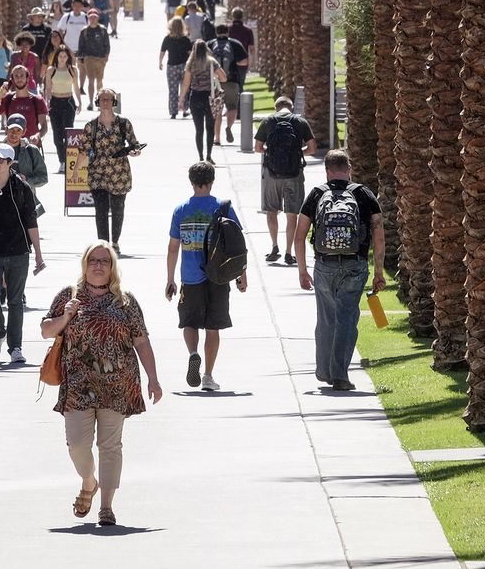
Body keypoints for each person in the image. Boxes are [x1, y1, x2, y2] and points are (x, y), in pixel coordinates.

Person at [42, 242, 160, 527]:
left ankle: (106, 507)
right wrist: (66, 315)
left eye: (104, 261)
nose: (98, 265)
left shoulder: (125, 301)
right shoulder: (69, 295)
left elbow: (141, 340)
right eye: (93, 260)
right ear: (84, 264)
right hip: (78, 385)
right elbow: (46, 330)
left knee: (110, 446)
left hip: (117, 384)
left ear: (112, 267)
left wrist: (153, 378)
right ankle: (88, 480)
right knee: (77, 444)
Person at [294, 150, 385, 391]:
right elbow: (378, 234)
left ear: (327, 170)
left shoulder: (316, 194)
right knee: (346, 319)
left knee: (326, 319)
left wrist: (302, 270)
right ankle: (340, 374)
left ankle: (324, 371)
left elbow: (299, 235)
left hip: (324, 265)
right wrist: (378, 272)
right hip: (355, 265)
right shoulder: (363, 194)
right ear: (349, 168)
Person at [165, 161, 245, 392]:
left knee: (189, 322)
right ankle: (208, 376)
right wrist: (242, 274)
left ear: (191, 182)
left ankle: (193, 354)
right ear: (211, 182)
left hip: (190, 277)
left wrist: (170, 278)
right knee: (213, 327)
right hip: (218, 276)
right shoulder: (222, 207)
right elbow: (237, 245)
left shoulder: (181, 210)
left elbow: (172, 248)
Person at [0, 142, 47, 364]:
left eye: (0, 160)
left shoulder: (22, 188)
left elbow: (31, 222)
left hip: (18, 251)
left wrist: (39, 255)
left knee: (15, 301)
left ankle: (15, 347)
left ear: (10, 162)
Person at [255, 96, 317, 264]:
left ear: (277, 108)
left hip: (271, 174)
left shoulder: (268, 121)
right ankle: (289, 252)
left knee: (271, 211)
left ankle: (274, 247)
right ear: (291, 107)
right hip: (294, 174)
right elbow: (312, 148)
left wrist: (273, 152)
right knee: (292, 215)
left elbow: (258, 148)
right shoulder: (300, 122)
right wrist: (296, 153)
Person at [83, 88, 142, 254]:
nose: (106, 102)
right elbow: (84, 149)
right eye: (102, 100)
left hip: (119, 173)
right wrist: (74, 172)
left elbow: (133, 143)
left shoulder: (123, 123)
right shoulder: (91, 126)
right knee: (100, 210)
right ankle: (103, 243)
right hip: (98, 173)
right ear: (97, 103)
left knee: (118, 209)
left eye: (109, 100)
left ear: (114, 103)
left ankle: (115, 241)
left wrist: (134, 151)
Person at [179, 40, 226, 163]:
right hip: (209, 98)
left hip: (195, 97)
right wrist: (213, 77)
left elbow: (186, 83)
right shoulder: (212, 62)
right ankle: (209, 155)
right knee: (210, 128)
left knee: (199, 129)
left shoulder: (191, 64)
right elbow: (224, 77)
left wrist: (181, 99)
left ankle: (200, 156)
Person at [208, 23, 251, 146]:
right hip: (232, 80)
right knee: (232, 107)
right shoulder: (235, 44)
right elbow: (244, 62)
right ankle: (229, 128)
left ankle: (217, 138)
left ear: (216, 32)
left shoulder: (210, 44)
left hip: (215, 82)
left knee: (218, 110)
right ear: (227, 32)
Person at [0, 114, 49, 188]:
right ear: (6, 130)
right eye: (12, 130)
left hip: (24, 197)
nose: (14, 134)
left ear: (24, 132)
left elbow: (43, 177)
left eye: (18, 130)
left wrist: (26, 181)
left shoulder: (32, 151)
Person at [0, 65, 49, 143]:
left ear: (27, 78)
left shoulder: (37, 100)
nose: (19, 78)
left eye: (22, 75)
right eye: (16, 76)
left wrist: (37, 136)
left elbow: (44, 126)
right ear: (12, 80)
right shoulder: (8, 99)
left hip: (31, 147)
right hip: (11, 147)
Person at [45, 46, 82, 171]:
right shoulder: (51, 70)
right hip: (55, 103)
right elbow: (48, 88)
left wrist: (80, 102)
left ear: (68, 57)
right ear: (57, 57)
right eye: (60, 56)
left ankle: (68, 160)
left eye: (65, 56)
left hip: (68, 102)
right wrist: (46, 102)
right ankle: (61, 160)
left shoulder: (73, 70)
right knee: (57, 134)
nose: (62, 59)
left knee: (68, 133)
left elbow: (76, 87)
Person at [158, 17, 193, 120]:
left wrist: (160, 62)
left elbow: (162, 51)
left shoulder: (167, 38)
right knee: (185, 88)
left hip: (171, 66)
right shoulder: (185, 39)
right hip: (184, 66)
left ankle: (173, 112)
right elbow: (190, 53)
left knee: (172, 90)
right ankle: (185, 109)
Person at [78, 10, 111, 101]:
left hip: (100, 58)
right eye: (91, 17)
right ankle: (91, 101)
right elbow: (81, 46)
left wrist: (106, 56)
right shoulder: (84, 31)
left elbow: (107, 44)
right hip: (89, 58)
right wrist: (81, 58)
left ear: (98, 18)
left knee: (99, 81)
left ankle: (99, 100)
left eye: (95, 17)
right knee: (91, 80)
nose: (93, 19)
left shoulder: (102, 30)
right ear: (88, 18)